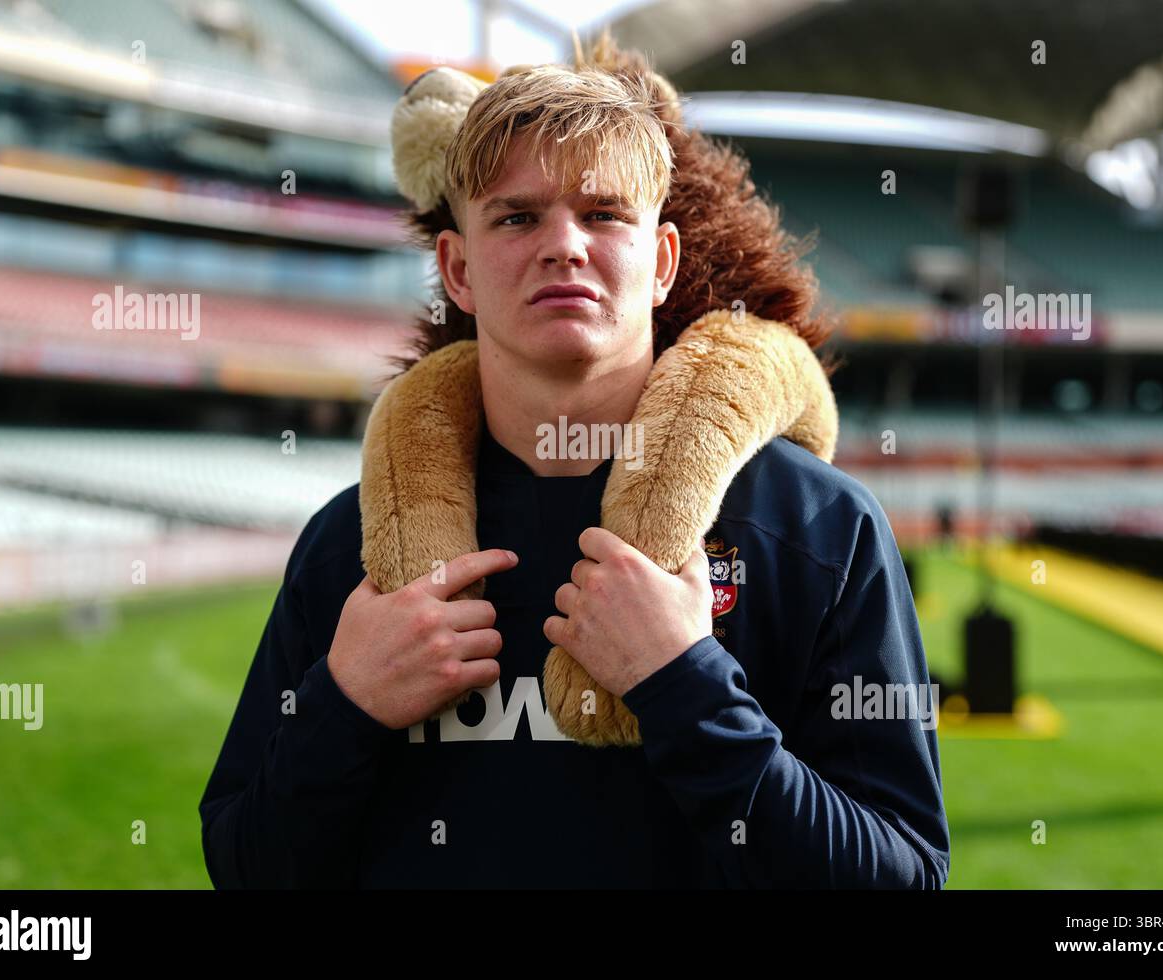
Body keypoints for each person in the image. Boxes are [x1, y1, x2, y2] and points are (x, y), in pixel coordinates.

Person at [199, 37, 949, 888]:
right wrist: (345, 706)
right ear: (458, 270)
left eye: (603, 213)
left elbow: (904, 877)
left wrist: (687, 688)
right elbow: (244, 867)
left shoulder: (816, 528)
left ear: (662, 262)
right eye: (517, 217)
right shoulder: (354, 545)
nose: (564, 245)